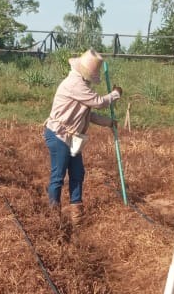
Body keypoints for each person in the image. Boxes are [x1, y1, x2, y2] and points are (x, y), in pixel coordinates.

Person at [43, 48, 122, 225]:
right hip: (59, 135)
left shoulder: (83, 86)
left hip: (73, 137)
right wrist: (115, 94)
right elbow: (99, 103)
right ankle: (53, 217)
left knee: (78, 172)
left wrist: (108, 122)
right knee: (58, 175)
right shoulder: (74, 84)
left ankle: (76, 216)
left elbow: (88, 114)